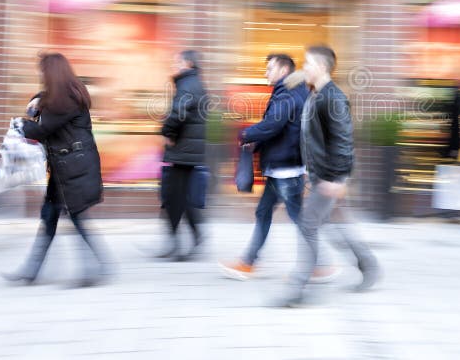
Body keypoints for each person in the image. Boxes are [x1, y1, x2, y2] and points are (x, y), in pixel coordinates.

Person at [280, 45, 380, 307]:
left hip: (330, 177)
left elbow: (343, 141)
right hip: (320, 176)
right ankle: (368, 265)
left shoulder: (333, 98)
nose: (304, 68)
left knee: (308, 225)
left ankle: (299, 287)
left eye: (308, 64)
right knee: (335, 227)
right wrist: (309, 174)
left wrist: (338, 178)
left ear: (322, 67)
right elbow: (313, 140)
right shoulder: (318, 94)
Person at [2, 52, 106, 287]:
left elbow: (42, 129)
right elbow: (44, 111)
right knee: (50, 218)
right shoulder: (64, 96)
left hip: (73, 169)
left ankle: (96, 267)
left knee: (76, 219)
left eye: (42, 72)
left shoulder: (65, 100)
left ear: (51, 73)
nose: (40, 76)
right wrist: (36, 102)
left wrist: (21, 125)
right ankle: (32, 270)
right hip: (65, 168)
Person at [219, 54, 313, 280]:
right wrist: (257, 140)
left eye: (269, 69)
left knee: (299, 219)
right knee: (264, 212)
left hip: (286, 169)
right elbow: (281, 127)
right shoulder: (295, 90)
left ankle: (316, 265)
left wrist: (247, 133)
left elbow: (273, 124)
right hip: (283, 167)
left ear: (283, 70)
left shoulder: (287, 92)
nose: (265, 73)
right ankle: (248, 262)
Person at [159, 50, 208, 260]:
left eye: (176, 61)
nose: (173, 65)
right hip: (188, 149)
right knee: (180, 197)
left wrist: (168, 132)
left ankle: (179, 243)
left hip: (182, 149)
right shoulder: (194, 82)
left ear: (188, 63)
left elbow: (179, 112)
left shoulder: (187, 84)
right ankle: (189, 239)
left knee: (173, 198)